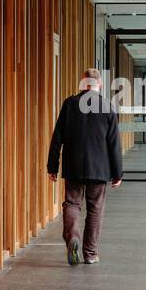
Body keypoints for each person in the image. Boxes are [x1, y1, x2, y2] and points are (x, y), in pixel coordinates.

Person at [47, 68, 123, 266]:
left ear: (83, 82)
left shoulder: (70, 104)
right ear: (100, 85)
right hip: (100, 169)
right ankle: (90, 254)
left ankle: (72, 237)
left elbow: (57, 138)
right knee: (95, 210)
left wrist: (52, 166)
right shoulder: (108, 107)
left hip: (73, 166)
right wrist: (117, 173)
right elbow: (114, 144)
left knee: (72, 204)